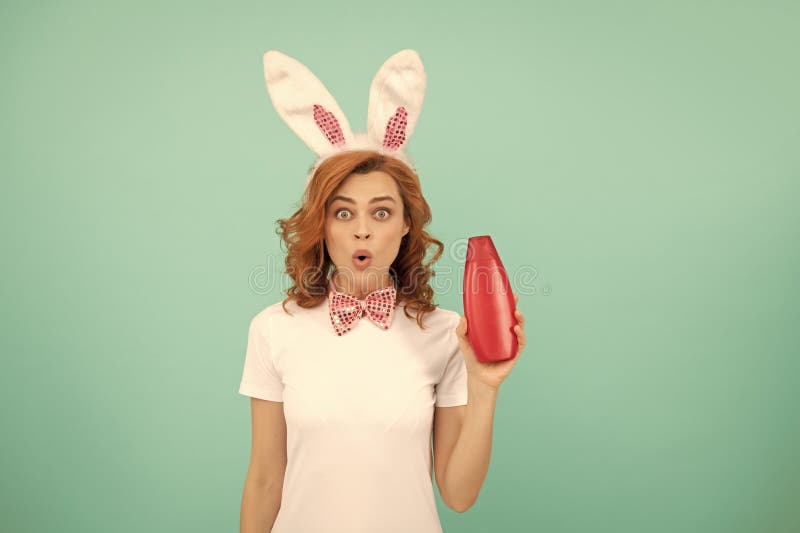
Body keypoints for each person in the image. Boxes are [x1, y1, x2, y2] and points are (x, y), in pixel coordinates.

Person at [238, 50, 526, 533]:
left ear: (406, 225)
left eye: (382, 212)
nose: (363, 231)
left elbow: (458, 494)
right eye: (344, 212)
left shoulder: (444, 333)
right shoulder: (273, 328)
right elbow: (266, 478)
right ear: (322, 225)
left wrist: (485, 387)